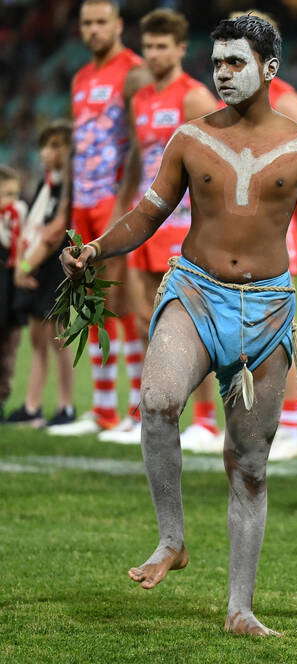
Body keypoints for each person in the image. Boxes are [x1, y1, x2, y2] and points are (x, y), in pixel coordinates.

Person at [60, 14, 297, 636]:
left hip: (268, 309)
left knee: (251, 463)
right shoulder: (188, 138)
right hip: (195, 293)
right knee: (157, 400)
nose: (224, 73)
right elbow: (148, 214)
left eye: (236, 62)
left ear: (270, 68)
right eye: (218, 62)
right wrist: (95, 249)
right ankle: (172, 539)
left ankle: (239, 609)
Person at [99, 7, 219, 445]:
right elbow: (136, 159)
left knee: (193, 323)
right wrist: (120, 211)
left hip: (185, 223)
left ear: (182, 49)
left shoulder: (195, 99)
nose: (153, 53)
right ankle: (153, 414)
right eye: (147, 46)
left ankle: (206, 420)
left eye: (162, 46)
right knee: (147, 319)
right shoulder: (142, 98)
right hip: (149, 220)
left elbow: (216, 166)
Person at [50, 0, 150, 437]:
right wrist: (66, 207)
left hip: (116, 202)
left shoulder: (134, 72)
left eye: (100, 22)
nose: (93, 29)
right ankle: (104, 410)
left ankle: (137, 411)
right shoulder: (81, 77)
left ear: (118, 25)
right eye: (86, 22)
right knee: (91, 307)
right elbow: (76, 147)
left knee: (123, 304)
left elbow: (141, 144)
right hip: (84, 203)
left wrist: (122, 203)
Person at [229, 9, 297, 462]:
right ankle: (242, 423)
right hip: (237, 238)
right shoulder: (230, 103)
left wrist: (287, 230)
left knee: (277, 333)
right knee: (237, 334)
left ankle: (293, 428)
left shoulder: (289, 103)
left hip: (276, 234)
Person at [7, 121, 76, 428]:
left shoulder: (68, 189)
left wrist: (23, 268)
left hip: (54, 268)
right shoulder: (47, 185)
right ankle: (32, 405)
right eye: (45, 146)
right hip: (37, 268)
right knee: (37, 339)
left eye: (56, 146)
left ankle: (66, 406)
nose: (47, 153)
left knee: (58, 338)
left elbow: (53, 234)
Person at [0, 166, 28, 422]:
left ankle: (2, 398)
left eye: (16, 193)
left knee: (9, 348)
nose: (13, 200)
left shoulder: (19, 218)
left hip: (11, 291)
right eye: (7, 194)